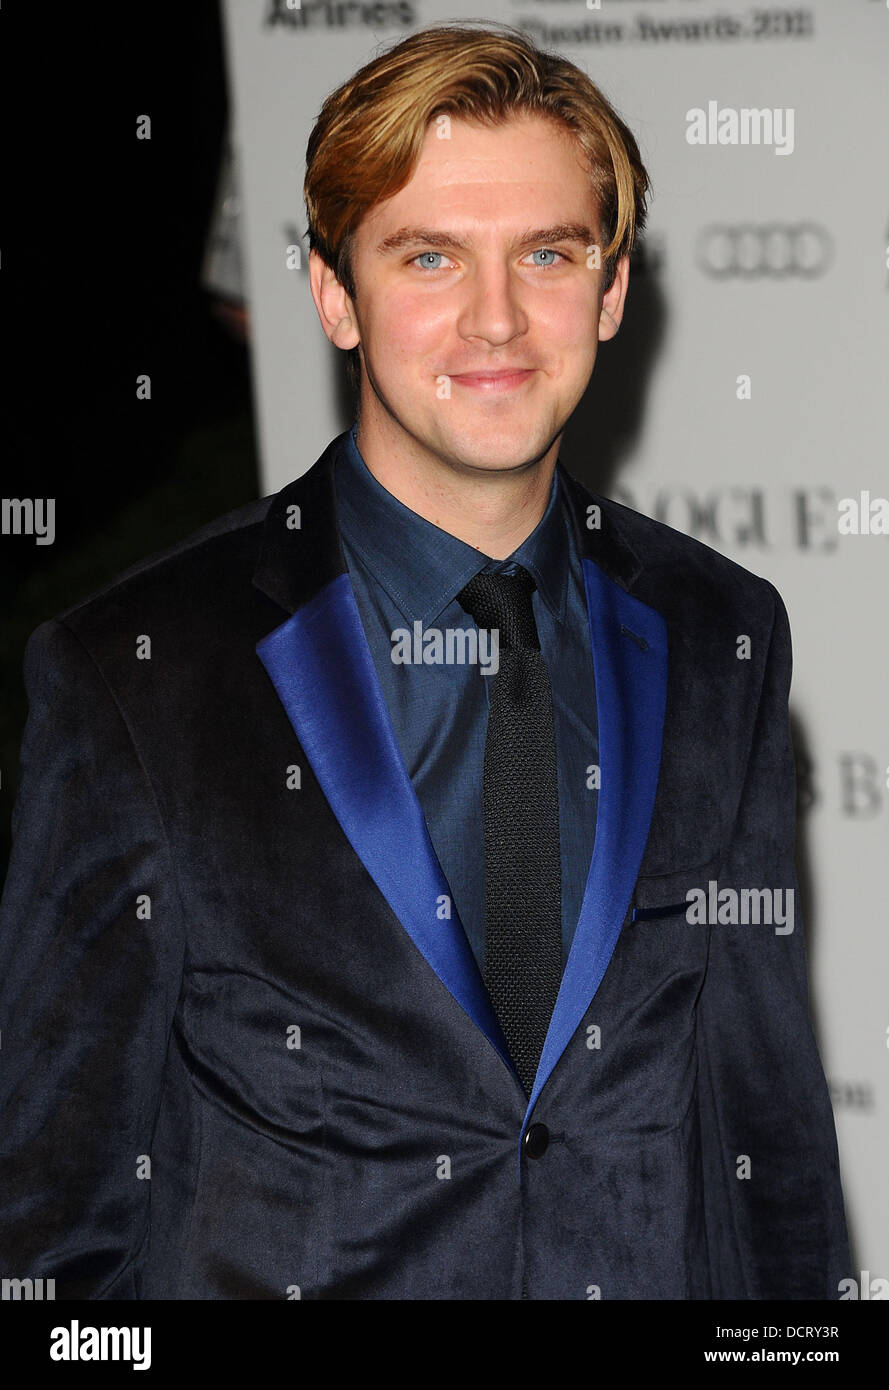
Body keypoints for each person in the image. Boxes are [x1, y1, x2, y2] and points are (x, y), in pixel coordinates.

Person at [0, 21, 849, 1300]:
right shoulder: (137, 671)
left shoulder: (718, 632)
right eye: (430, 255)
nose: (496, 317)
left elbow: (768, 1136)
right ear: (336, 294)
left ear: (612, 289)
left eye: (548, 254)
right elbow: (50, 1231)